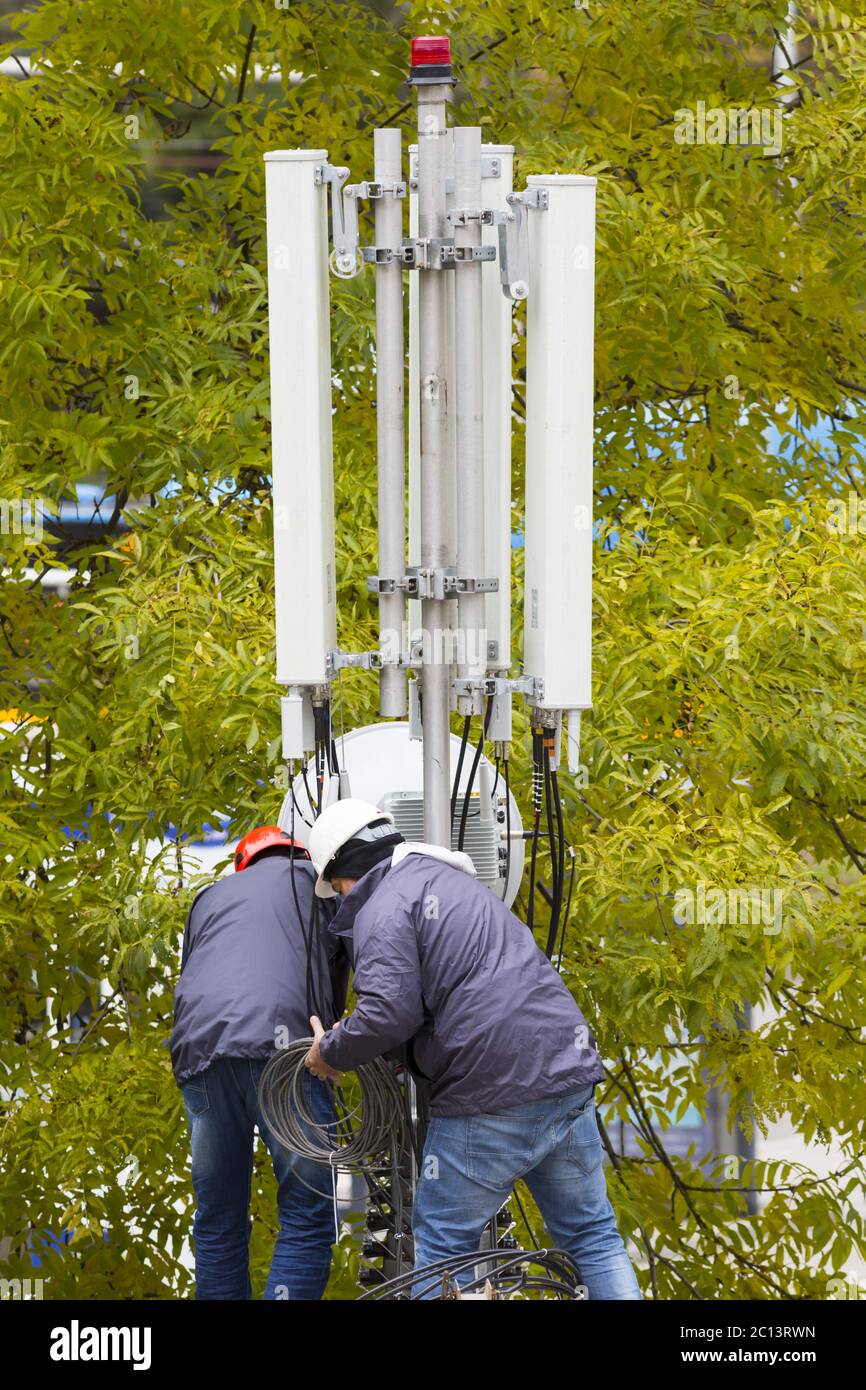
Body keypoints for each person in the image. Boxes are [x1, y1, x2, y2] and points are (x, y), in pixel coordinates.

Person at [303, 798, 642, 1300]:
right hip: (565, 1073)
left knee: (441, 1249)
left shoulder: (382, 907)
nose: (339, 897)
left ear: (345, 869)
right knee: (591, 1235)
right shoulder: (450, 881)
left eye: (336, 886)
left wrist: (328, 1052)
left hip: (491, 1090)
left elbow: (387, 1014)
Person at [171, 825, 347, 1300]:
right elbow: (346, 970)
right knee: (309, 1213)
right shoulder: (320, 883)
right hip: (285, 1052)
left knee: (217, 1219)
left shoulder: (210, 897)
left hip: (201, 1056)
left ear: (243, 863)